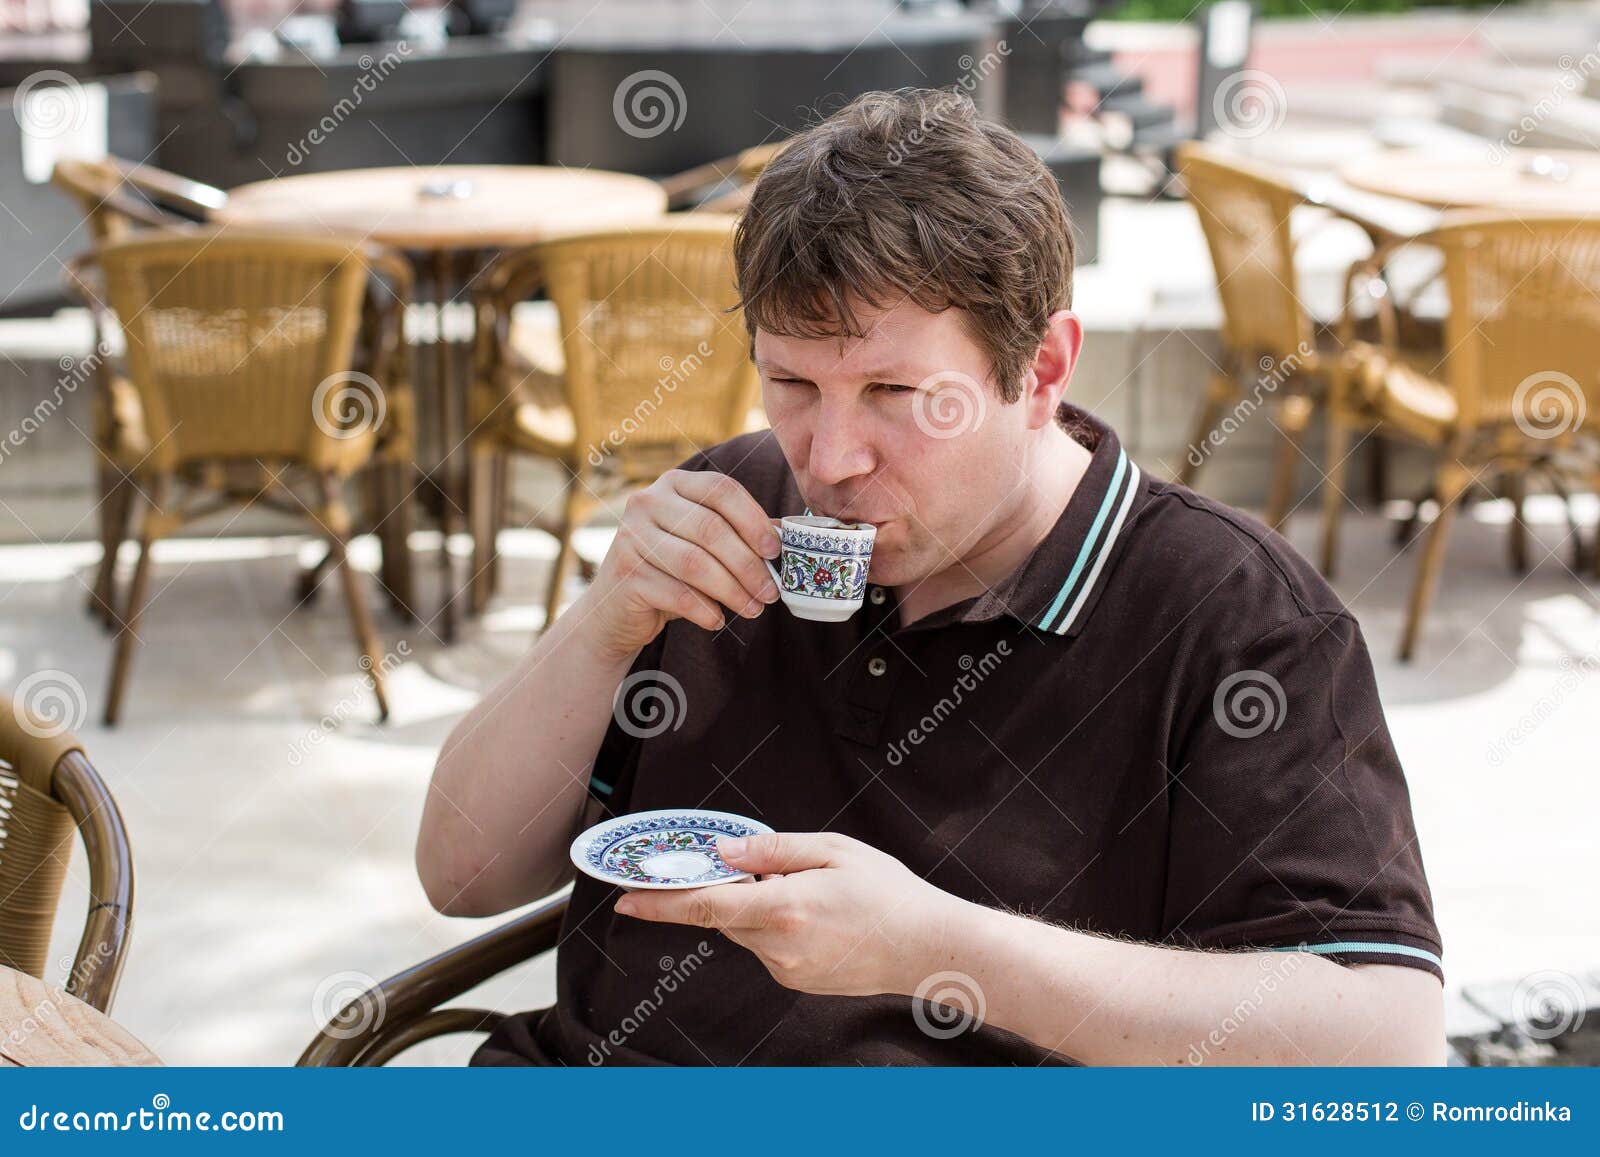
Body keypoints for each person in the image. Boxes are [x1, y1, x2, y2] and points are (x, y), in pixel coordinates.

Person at [417, 88, 1443, 1066]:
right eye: (790, 383)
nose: (827, 458)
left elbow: (1388, 1045)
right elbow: (460, 876)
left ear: (1039, 372)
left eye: (895, 392)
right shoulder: (727, 508)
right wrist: (598, 626)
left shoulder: (1232, 614)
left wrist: (940, 948)